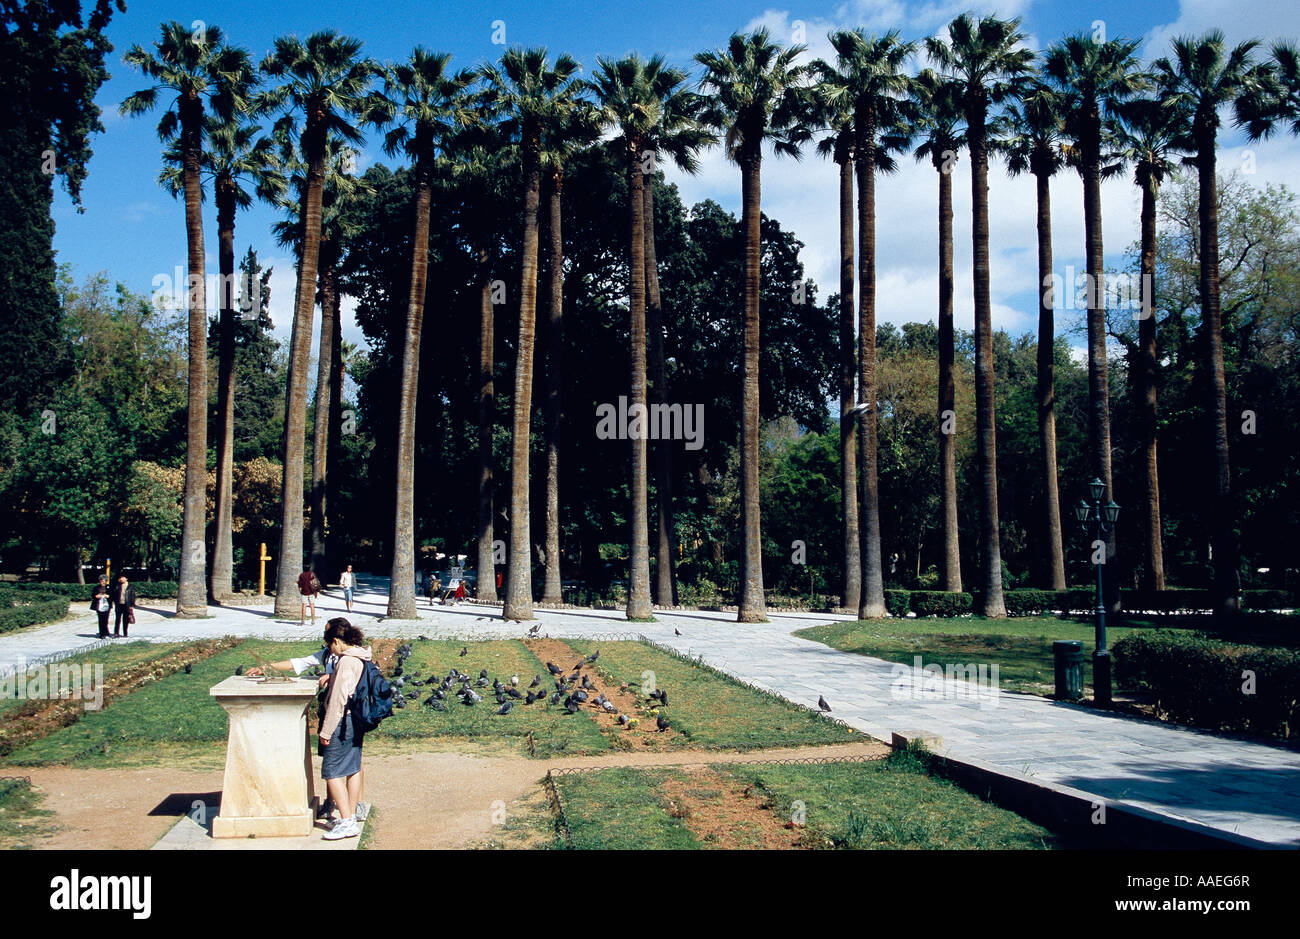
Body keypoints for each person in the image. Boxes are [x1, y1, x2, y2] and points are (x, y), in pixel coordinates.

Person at [247, 634, 370, 823]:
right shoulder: (330, 654)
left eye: (328, 640)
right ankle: (335, 804)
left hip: (343, 714)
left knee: (344, 765)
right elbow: (299, 663)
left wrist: (333, 676)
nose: (327, 645)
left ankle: (354, 810)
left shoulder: (351, 657)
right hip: (339, 713)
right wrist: (267, 667)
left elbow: (346, 684)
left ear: (337, 639)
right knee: (342, 761)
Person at [316, 618, 372, 840]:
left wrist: (326, 731)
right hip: (356, 721)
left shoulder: (346, 662)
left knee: (331, 772)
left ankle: (347, 821)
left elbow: (338, 700)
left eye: (330, 645)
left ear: (337, 641)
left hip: (342, 722)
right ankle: (351, 812)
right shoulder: (362, 655)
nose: (330, 650)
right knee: (352, 767)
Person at [111, 574, 136, 638]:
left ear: (126, 578)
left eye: (122, 577)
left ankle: (125, 633)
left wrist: (132, 605)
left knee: (125, 620)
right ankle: (116, 633)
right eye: (120, 577)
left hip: (126, 605)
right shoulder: (117, 585)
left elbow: (133, 596)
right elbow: (114, 594)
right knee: (117, 619)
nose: (121, 579)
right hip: (119, 604)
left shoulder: (130, 586)